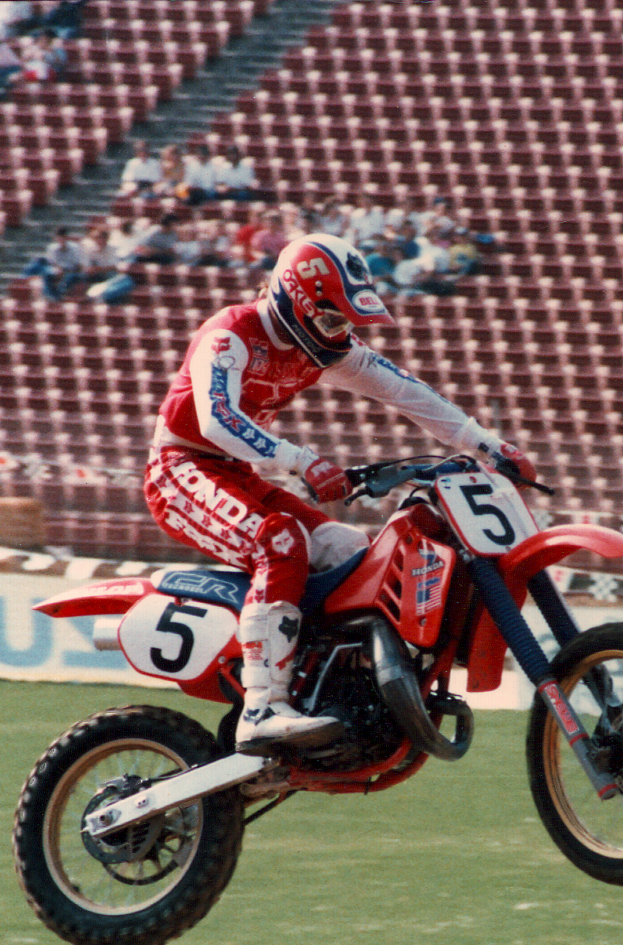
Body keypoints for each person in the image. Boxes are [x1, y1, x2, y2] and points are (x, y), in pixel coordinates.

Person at [144, 233, 534, 753]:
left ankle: (331, 692)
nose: (342, 333)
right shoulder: (230, 333)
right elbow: (218, 422)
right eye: (333, 320)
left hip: (238, 474)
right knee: (279, 541)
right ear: (296, 303)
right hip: (180, 468)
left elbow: (404, 390)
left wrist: (487, 444)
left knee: (351, 550)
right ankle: (261, 707)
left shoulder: (324, 348)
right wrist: (303, 462)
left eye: (348, 322)